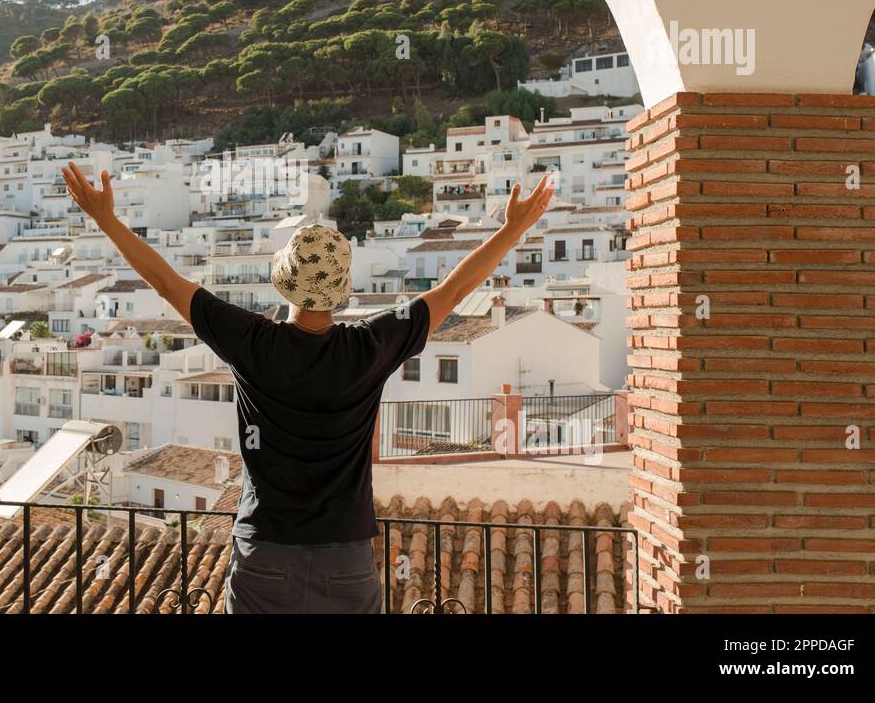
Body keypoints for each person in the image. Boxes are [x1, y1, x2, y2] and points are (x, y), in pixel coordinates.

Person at [60, 161, 554, 613]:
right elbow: (454, 290)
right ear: (340, 291)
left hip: (266, 551)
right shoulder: (371, 345)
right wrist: (513, 229)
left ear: (284, 283)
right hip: (348, 557)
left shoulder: (252, 341)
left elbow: (168, 284)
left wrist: (107, 219)